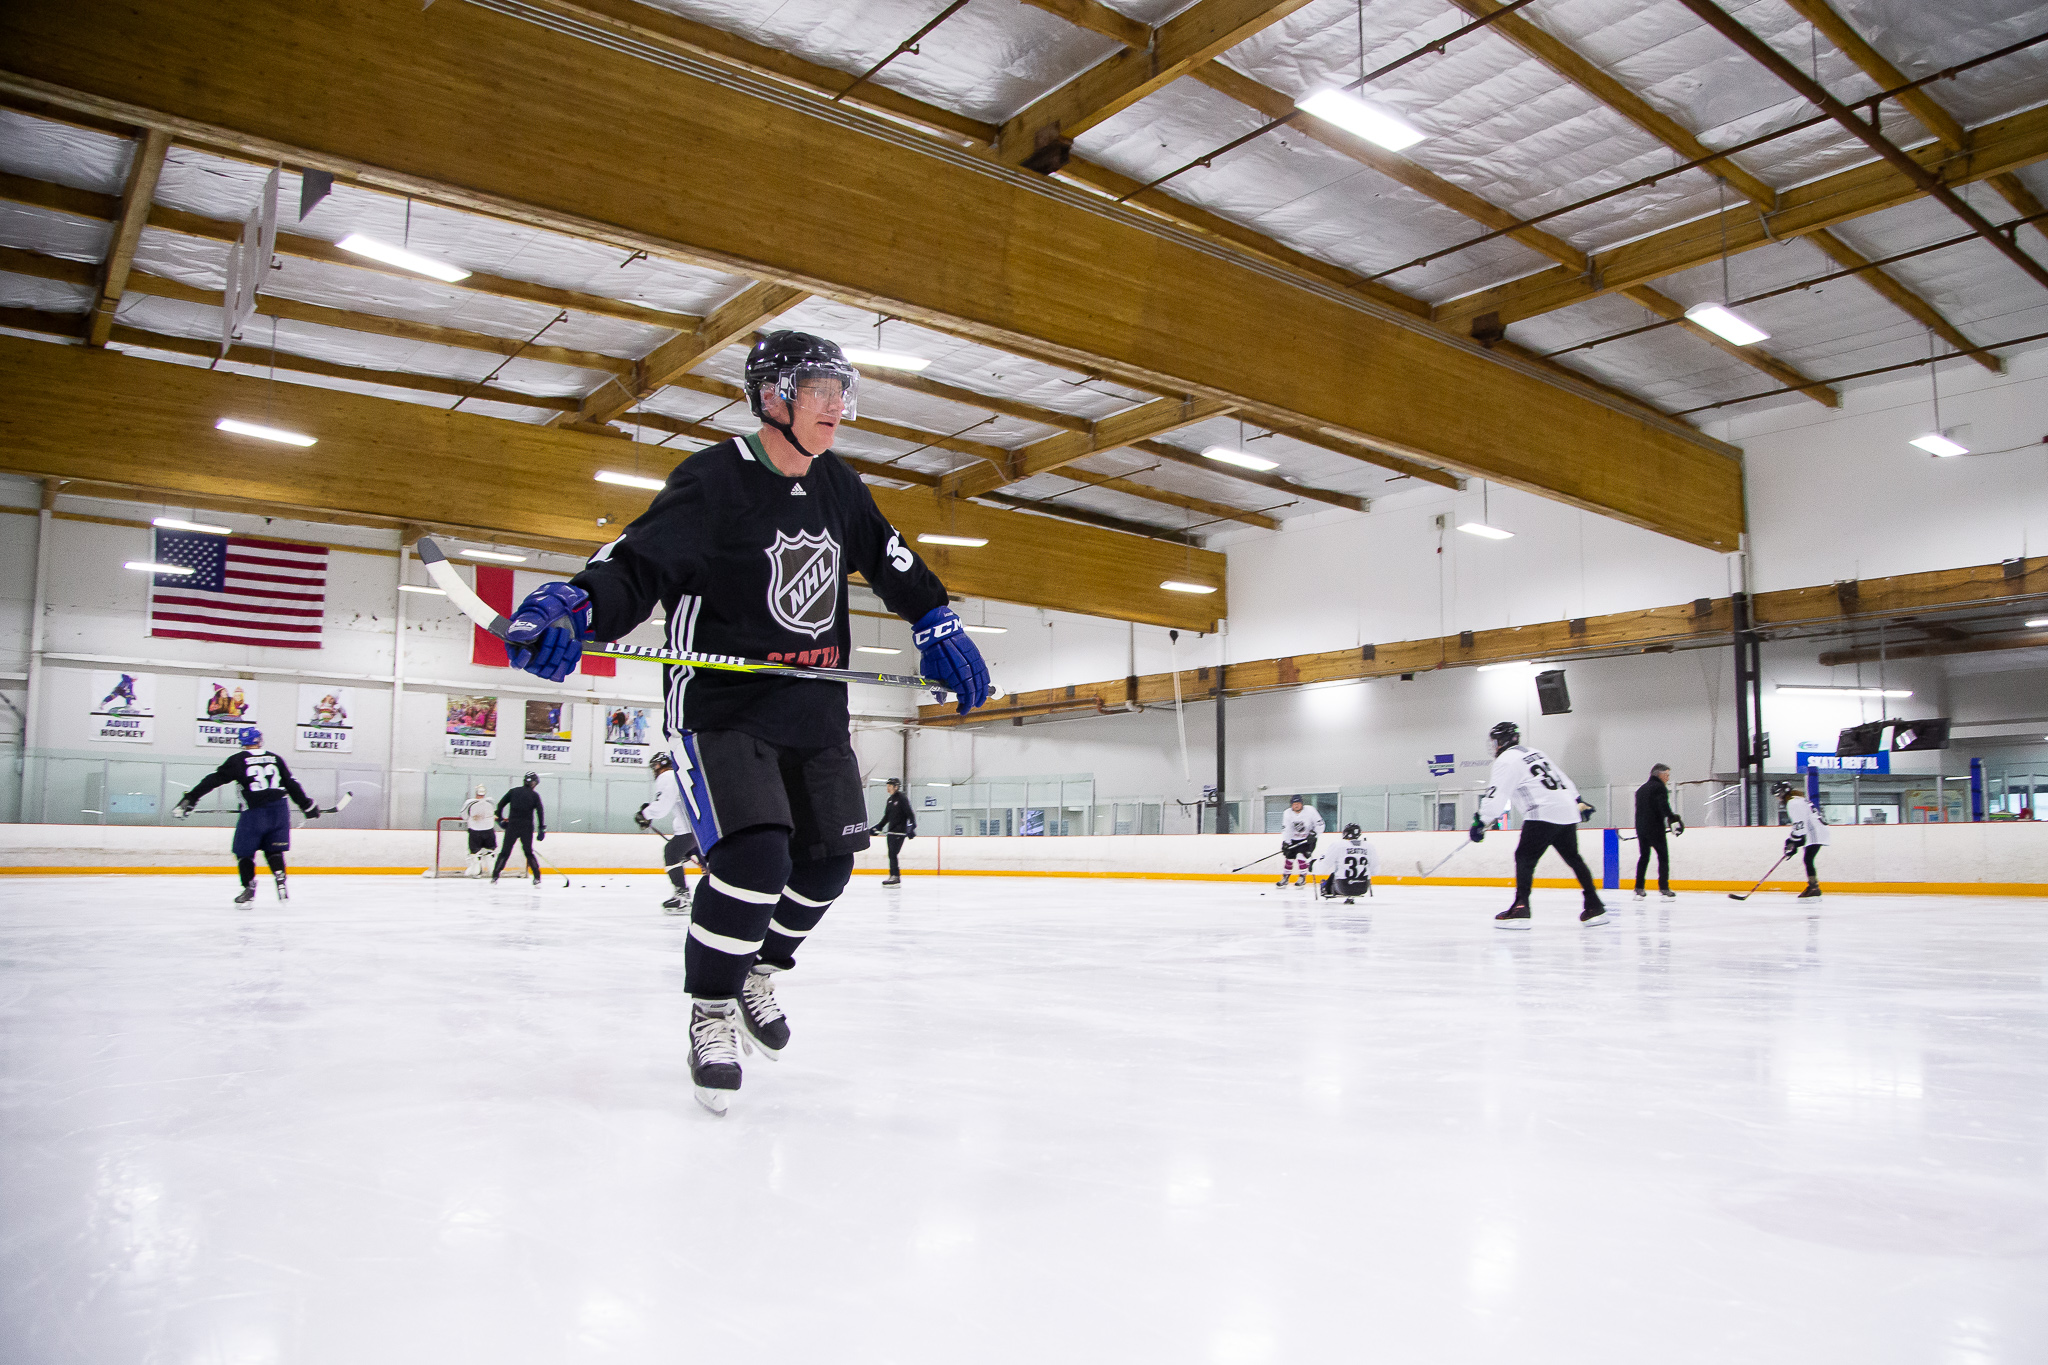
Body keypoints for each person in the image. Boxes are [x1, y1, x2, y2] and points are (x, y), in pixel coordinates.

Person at [495, 330, 992, 1114]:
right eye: (819, 388)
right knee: (757, 859)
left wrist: (936, 619)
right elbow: (635, 570)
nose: (836, 404)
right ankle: (711, 1008)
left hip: (814, 706)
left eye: (840, 388)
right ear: (773, 398)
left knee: (827, 867)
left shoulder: (839, 485)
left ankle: (760, 967)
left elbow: (892, 559)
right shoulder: (711, 480)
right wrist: (578, 605)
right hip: (721, 708)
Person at [1472, 721, 1606, 928]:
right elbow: (1563, 778)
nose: (1494, 746)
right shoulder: (1535, 752)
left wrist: (1481, 820)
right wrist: (1578, 800)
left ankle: (1520, 907)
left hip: (1542, 812)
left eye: (1495, 741)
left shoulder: (1506, 761)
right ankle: (1594, 905)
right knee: (1574, 858)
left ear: (1502, 741)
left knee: (1524, 857)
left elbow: (1496, 795)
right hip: (1566, 811)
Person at [174, 726, 321, 904]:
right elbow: (291, 784)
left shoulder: (238, 760)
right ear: (259, 740)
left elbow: (213, 780)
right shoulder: (275, 758)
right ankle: (280, 878)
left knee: (244, 852)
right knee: (274, 849)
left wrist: (191, 798)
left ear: (242, 742)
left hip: (254, 813)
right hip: (279, 811)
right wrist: (307, 806)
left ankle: (249, 888)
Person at [637, 751, 702, 914]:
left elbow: (664, 805)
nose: (654, 770)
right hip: (698, 825)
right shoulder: (679, 775)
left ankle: (683, 898)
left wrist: (645, 814)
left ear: (661, 765)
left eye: (655, 766)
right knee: (703, 862)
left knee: (671, 852)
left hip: (689, 827)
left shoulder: (667, 776)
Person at [1633, 763, 1683, 901]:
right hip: (1655, 829)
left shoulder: (1641, 790)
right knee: (1663, 857)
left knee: (1644, 857)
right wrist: (1673, 819)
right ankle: (1664, 888)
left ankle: (1639, 888)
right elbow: (1663, 805)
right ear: (1659, 774)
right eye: (1666, 775)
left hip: (1641, 828)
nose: (1667, 778)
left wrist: (1641, 828)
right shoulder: (1659, 787)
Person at [1777, 780, 1829, 898]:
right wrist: (1792, 841)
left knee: (1808, 859)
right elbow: (1799, 825)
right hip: (1816, 830)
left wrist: (1793, 842)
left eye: (1778, 795)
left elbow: (1800, 826)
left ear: (1782, 793)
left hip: (1814, 832)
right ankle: (1813, 886)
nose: (1778, 799)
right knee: (1808, 859)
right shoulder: (1798, 799)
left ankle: (1814, 887)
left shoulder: (1792, 803)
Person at [492, 772, 545, 885]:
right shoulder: (535, 796)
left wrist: (500, 819)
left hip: (512, 826)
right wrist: (541, 829)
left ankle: (495, 876)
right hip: (526, 828)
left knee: (505, 852)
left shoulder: (513, 791)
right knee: (528, 852)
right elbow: (540, 812)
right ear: (534, 783)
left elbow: (500, 805)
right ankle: (537, 877)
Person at [1314, 822, 1376, 903]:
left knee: (1335, 874)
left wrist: (1314, 866)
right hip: (1363, 888)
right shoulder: (1369, 846)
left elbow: (1324, 865)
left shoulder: (1339, 845)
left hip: (1343, 887)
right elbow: (1375, 871)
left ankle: (1326, 888)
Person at [873, 777, 916, 886]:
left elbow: (909, 814)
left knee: (893, 853)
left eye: (890, 786)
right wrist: (878, 827)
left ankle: (895, 876)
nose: (888, 788)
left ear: (896, 787)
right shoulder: (890, 800)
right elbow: (886, 817)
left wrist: (911, 827)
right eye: (887, 785)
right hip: (891, 832)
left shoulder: (902, 798)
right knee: (891, 854)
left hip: (899, 832)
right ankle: (893, 875)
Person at [1277, 795, 1324, 887]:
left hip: (1307, 840)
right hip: (1293, 839)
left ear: (1302, 804)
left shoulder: (1310, 810)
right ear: (1291, 805)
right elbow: (1287, 829)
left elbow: (1320, 824)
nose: (1296, 806)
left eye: (1298, 803)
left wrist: (1314, 834)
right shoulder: (1287, 813)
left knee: (1301, 856)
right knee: (1289, 858)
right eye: (1294, 804)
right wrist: (1286, 842)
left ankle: (1302, 877)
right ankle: (1286, 877)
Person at [461, 782, 497, 877]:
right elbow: (495, 813)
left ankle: (476, 872)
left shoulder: (470, 802)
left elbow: (464, 815)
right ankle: (493, 871)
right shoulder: (491, 802)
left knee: (475, 853)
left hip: (475, 830)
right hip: (489, 830)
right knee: (490, 852)